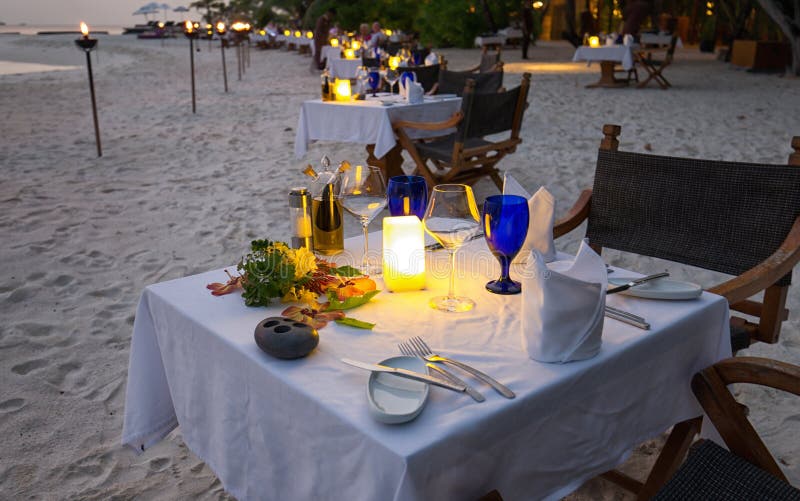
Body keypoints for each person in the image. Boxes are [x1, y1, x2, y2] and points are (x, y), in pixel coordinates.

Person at [312, 7, 336, 71]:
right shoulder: (321, 19)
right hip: (319, 39)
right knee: (319, 51)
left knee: (325, 52)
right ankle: (319, 65)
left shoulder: (328, 20)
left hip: (325, 39)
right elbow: (318, 31)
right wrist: (322, 39)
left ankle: (324, 64)